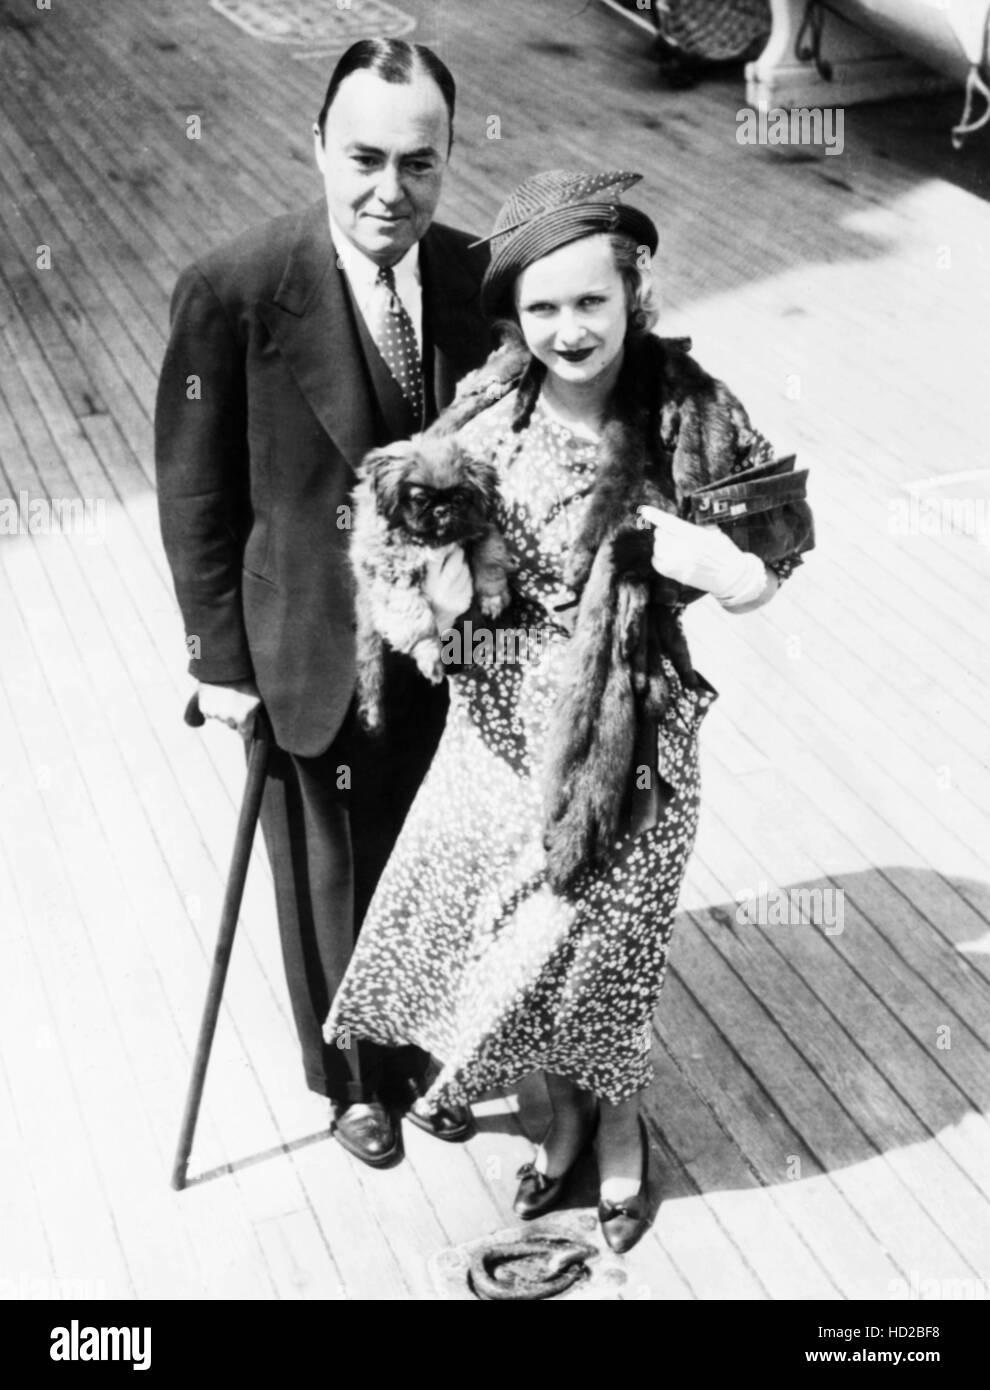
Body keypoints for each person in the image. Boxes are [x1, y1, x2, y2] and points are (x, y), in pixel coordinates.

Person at [323, 167, 812, 1249]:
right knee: (529, 953)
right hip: (496, 741)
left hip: (634, 739)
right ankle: (557, 1124)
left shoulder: (690, 413)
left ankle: (623, 1128)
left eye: (591, 301)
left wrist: (711, 562)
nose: (568, 328)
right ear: (512, 316)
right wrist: (424, 614)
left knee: (611, 949)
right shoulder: (484, 418)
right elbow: (391, 540)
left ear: (634, 293)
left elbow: (773, 561)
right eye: (542, 308)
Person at [154, 39, 492, 1168]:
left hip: (444, 646)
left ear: (447, 161)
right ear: (316, 146)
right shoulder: (236, 290)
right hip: (303, 638)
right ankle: (351, 1078)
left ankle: (434, 1047)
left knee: (434, 851)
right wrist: (218, 659)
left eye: (419, 163)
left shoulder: (471, 278)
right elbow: (196, 487)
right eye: (363, 158)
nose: (389, 191)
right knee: (325, 865)